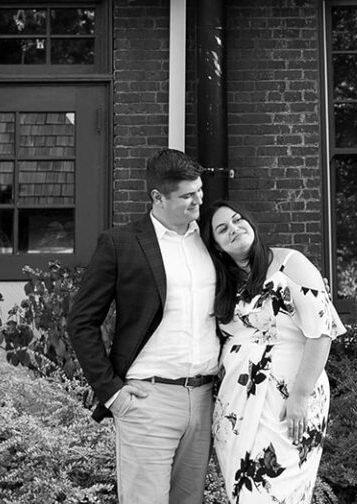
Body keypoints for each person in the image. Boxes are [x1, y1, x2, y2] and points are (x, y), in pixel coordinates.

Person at [67, 149, 219, 504]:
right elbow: (82, 321)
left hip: (204, 397)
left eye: (199, 191)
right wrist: (112, 393)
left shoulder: (211, 240)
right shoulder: (121, 243)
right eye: (187, 196)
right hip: (148, 400)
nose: (198, 201)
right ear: (157, 197)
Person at [204, 201, 345, 504]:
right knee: (242, 496)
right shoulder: (224, 283)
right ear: (216, 246)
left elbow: (322, 332)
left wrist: (300, 395)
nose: (234, 229)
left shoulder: (290, 263)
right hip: (235, 404)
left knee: (277, 493)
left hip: (288, 397)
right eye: (222, 229)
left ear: (251, 222)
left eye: (238, 220)